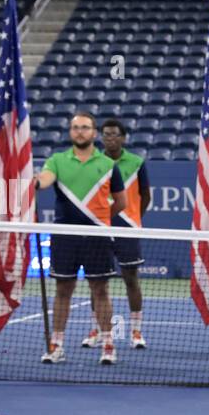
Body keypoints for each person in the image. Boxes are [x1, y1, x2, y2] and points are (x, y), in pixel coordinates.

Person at [33, 111, 127, 365]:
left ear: (94, 133)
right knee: (63, 290)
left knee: (100, 290)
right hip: (65, 237)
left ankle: (108, 344)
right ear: (70, 132)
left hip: (97, 236)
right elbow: (45, 180)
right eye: (75, 128)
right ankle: (57, 345)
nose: (80, 132)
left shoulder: (108, 165)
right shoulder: (57, 161)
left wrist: (99, 218)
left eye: (85, 127)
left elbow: (121, 202)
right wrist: (35, 182)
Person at [80, 118, 150, 351]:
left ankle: (136, 330)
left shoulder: (137, 162)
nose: (109, 138)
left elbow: (145, 195)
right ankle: (96, 330)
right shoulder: (93, 161)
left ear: (123, 138)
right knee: (97, 283)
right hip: (98, 228)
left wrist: (133, 218)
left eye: (114, 134)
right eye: (106, 134)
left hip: (126, 229)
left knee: (131, 279)